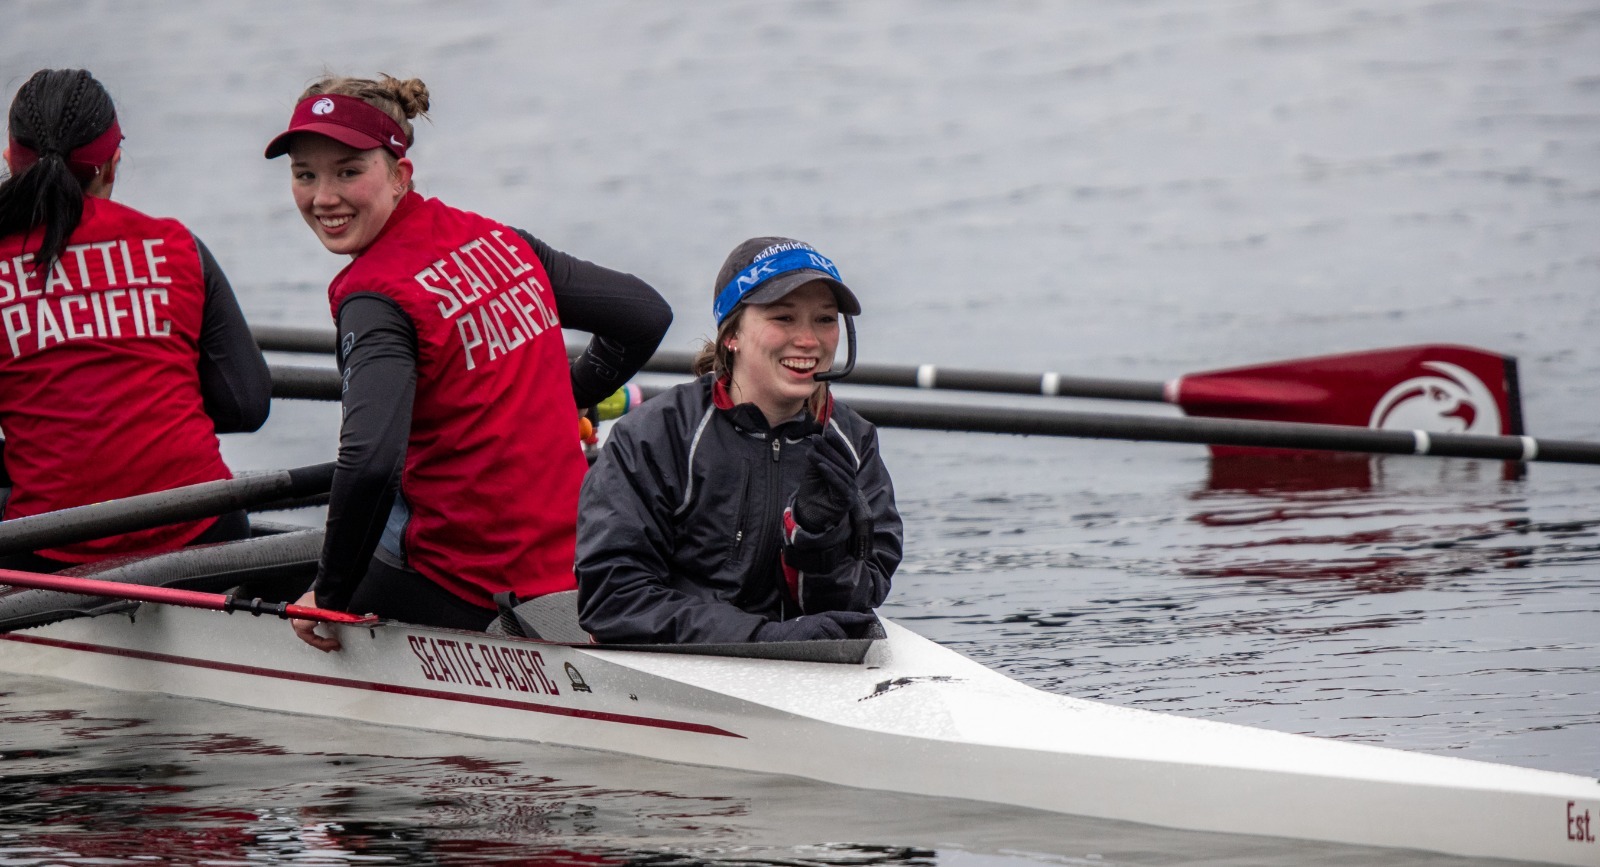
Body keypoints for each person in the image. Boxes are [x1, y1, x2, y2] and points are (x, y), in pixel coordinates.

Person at [263, 74, 671, 649]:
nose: (323, 197)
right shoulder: (501, 241)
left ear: (400, 176)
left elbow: (369, 465)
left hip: (477, 587)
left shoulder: (375, 297)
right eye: (305, 176)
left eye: (348, 172)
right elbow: (645, 317)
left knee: (355, 525)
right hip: (581, 558)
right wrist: (567, 396)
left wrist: (329, 597)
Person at [0, 68, 271, 572]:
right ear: (111, 167)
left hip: (49, 550)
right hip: (204, 531)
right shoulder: (176, 244)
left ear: (10, 161)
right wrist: (146, 413)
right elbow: (249, 403)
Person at [576, 237, 902, 644]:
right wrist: (763, 639)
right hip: (672, 674)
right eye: (783, 318)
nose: (808, 340)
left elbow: (863, 593)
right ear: (732, 335)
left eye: (824, 319)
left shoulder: (854, 442)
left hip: (798, 664)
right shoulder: (654, 436)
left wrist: (816, 542)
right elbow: (612, 601)